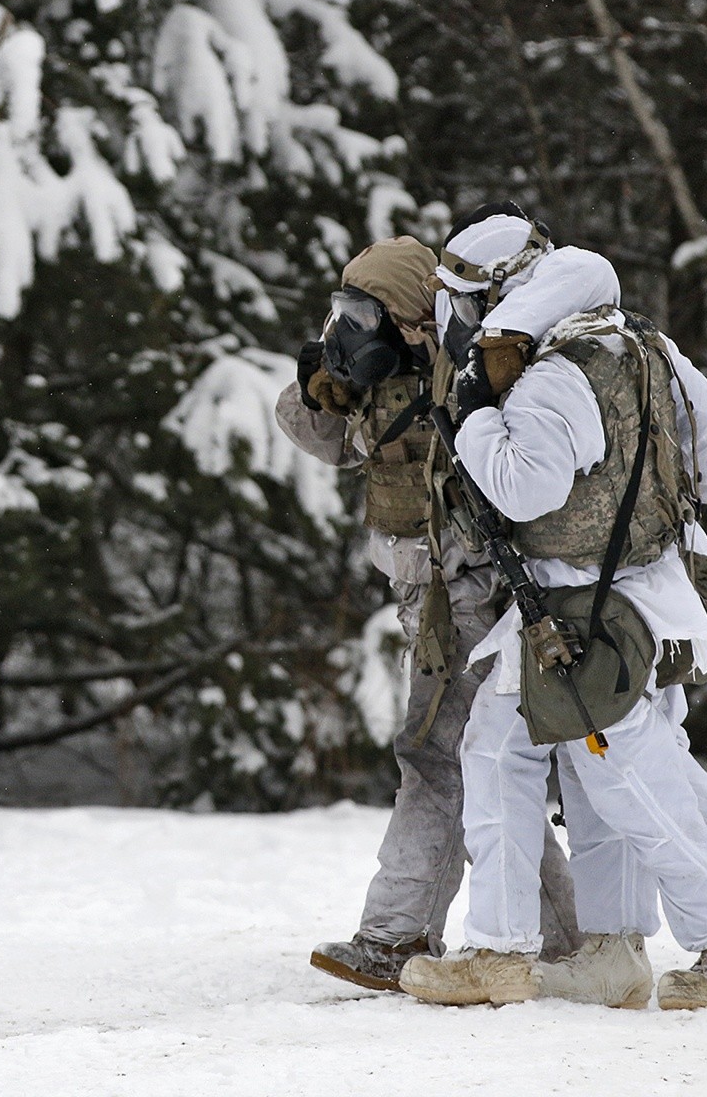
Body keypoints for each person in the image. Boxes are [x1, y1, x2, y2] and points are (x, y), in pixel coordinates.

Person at [395, 209, 707, 1010]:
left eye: (464, 304)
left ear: (501, 295)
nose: (457, 324)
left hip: (583, 610)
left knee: (623, 772)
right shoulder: (644, 341)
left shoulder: (550, 374)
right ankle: (596, 942)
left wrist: (471, 415)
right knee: (512, 749)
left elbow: (524, 486)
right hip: (650, 590)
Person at [276, 233, 580, 992]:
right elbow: (320, 440)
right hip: (425, 600)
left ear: (415, 319)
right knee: (478, 768)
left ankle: (397, 934)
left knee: (440, 758)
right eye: (341, 309)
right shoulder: (374, 383)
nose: (349, 325)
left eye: (365, 312)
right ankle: (563, 940)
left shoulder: (465, 378)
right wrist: (319, 380)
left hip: (476, 595)